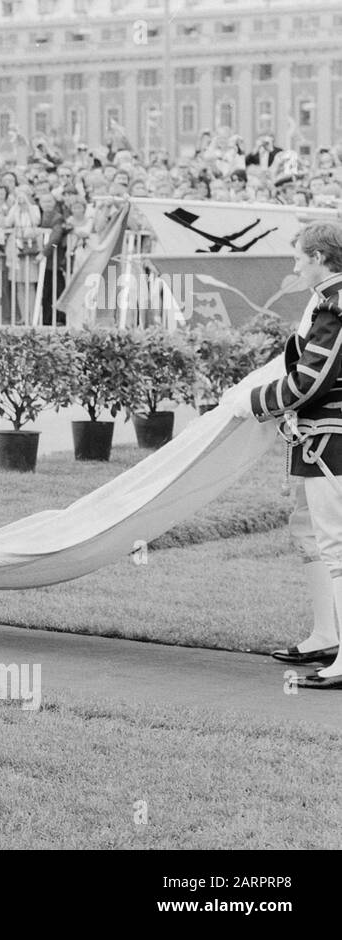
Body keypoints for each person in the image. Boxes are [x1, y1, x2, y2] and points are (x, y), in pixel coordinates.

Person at [228, 221, 342, 688]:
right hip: (321, 442)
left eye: (299, 255)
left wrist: (251, 403)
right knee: (315, 538)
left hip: (331, 443)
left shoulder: (334, 307)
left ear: (318, 257)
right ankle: (327, 636)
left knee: (337, 549)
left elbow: (307, 382)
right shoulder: (325, 304)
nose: (294, 264)